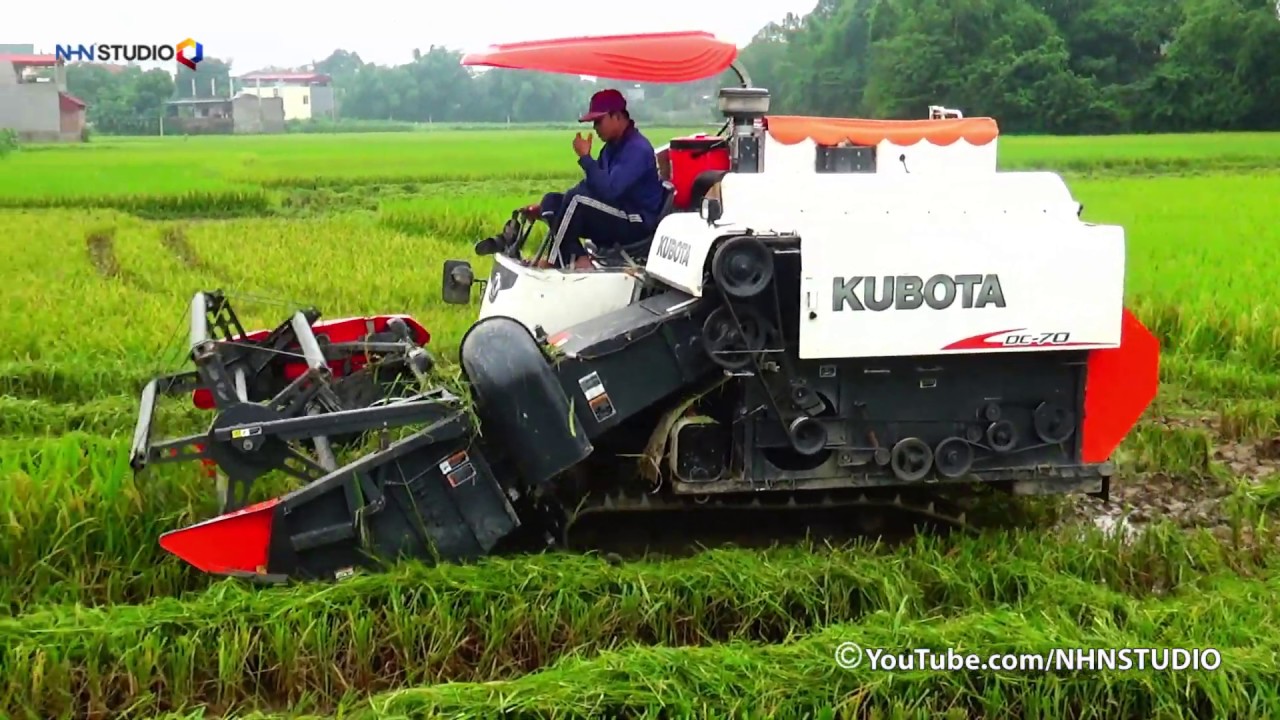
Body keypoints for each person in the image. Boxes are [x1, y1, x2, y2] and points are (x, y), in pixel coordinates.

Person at [525, 89, 667, 269]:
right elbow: (592, 186)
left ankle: (555, 262)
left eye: (599, 121)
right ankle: (578, 258)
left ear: (617, 116)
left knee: (575, 198)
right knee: (552, 201)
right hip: (614, 212)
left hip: (635, 221)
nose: (595, 128)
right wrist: (556, 205)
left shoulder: (637, 149)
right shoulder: (610, 149)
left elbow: (610, 190)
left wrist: (586, 158)